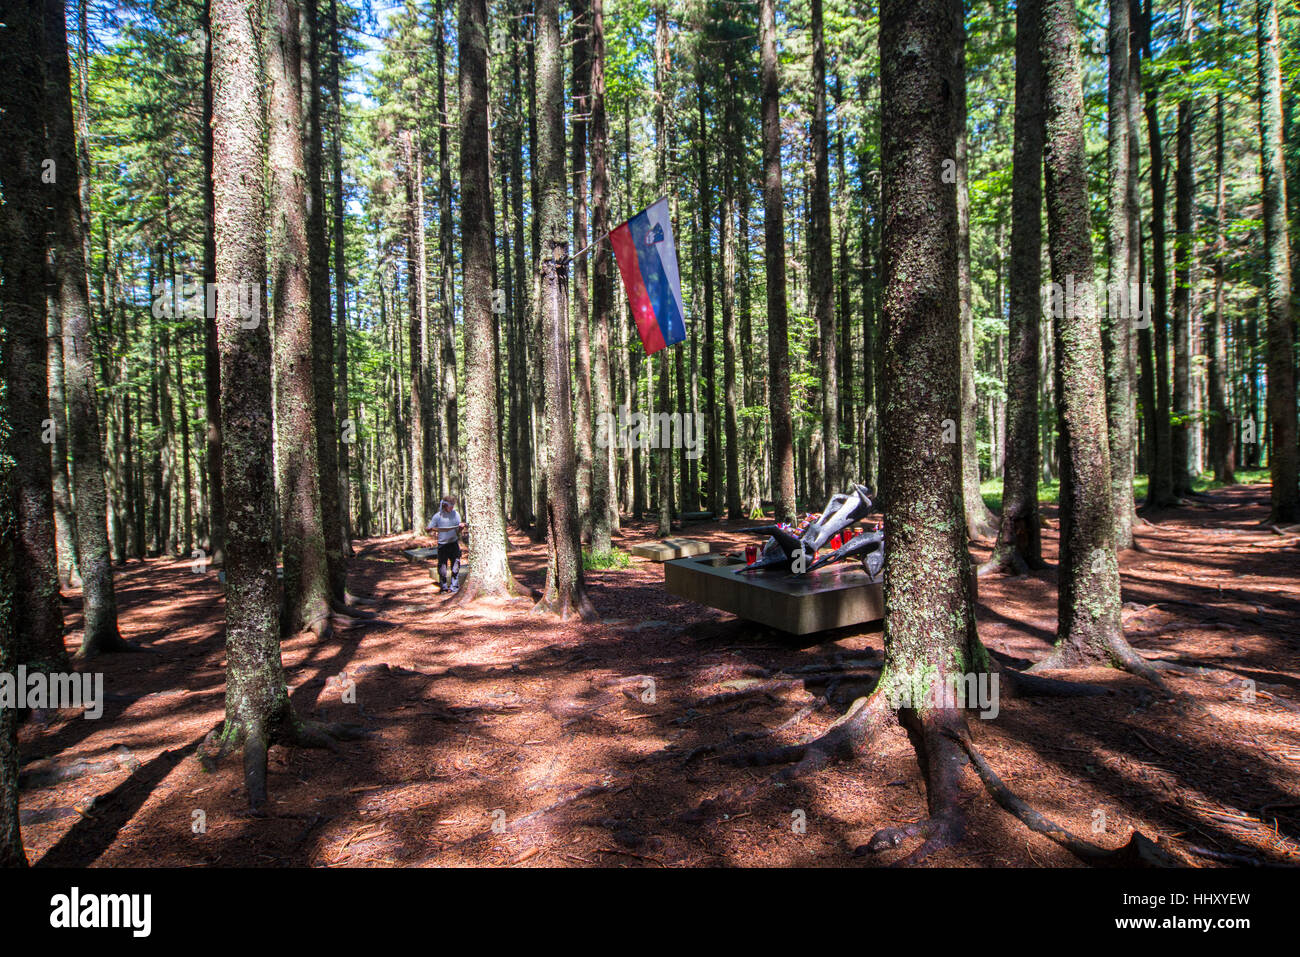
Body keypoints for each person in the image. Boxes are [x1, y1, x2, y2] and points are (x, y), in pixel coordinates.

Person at [426, 495, 467, 593]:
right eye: (450, 506)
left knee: (456, 565)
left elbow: (458, 530)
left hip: (453, 543)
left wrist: (461, 527)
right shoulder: (437, 516)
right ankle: (443, 587)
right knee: (442, 568)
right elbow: (429, 528)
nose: (452, 507)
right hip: (442, 545)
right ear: (444, 505)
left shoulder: (456, 514)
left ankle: (454, 587)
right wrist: (428, 529)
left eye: (453, 505)